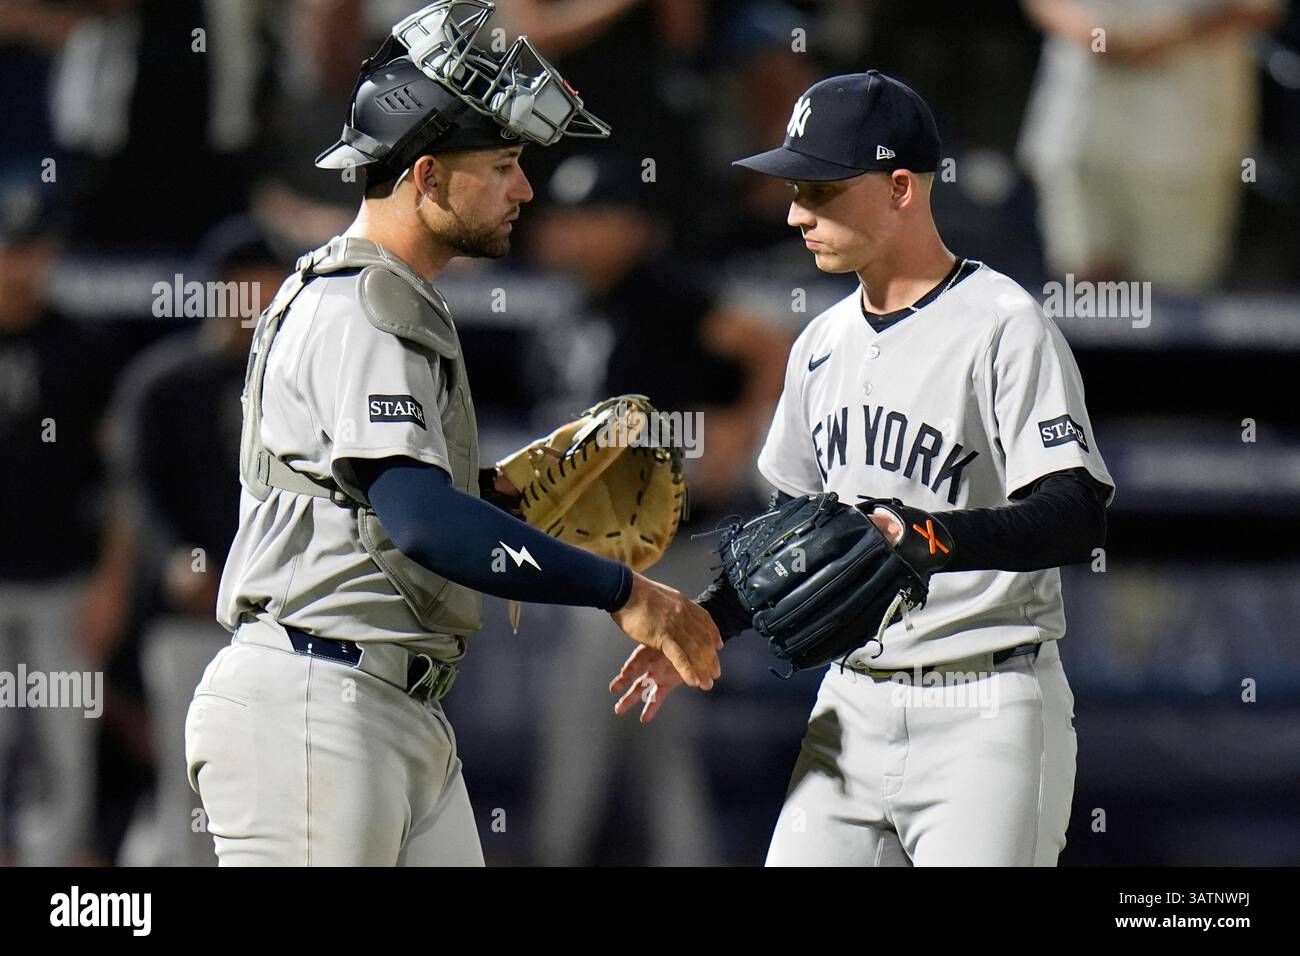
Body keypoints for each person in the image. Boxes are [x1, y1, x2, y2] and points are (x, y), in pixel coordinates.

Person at [183, 2, 721, 867]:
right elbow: (424, 524)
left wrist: (501, 494)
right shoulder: (360, 303)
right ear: (427, 176)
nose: (526, 190)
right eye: (505, 164)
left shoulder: (389, 296)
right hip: (314, 702)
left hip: (388, 704)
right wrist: (623, 592)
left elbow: (401, 507)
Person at [610, 71, 1115, 866]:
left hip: (985, 702)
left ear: (901, 187)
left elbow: (1077, 509)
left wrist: (931, 539)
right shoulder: (818, 345)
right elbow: (793, 539)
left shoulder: (1004, 324)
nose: (794, 213)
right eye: (793, 189)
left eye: (820, 190)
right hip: (851, 704)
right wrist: (705, 622)